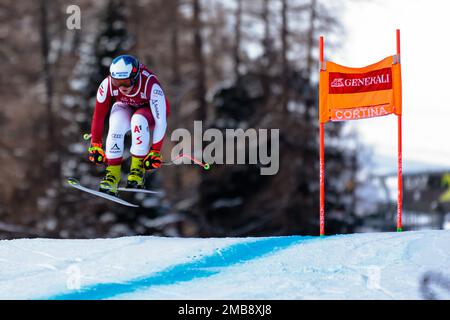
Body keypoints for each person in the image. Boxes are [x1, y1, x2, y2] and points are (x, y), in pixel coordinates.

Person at [88, 54, 170, 195]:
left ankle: (136, 172)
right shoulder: (106, 85)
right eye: (116, 82)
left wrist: (155, 151)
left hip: (149, 112)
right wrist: (95, 144)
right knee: (116, 121)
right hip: (127, 106)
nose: (121, 87)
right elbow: (98, 115)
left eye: (125, 82)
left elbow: (161, 121)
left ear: (136, 76)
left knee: (138, 120)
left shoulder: (150, 85)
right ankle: (112, 176)